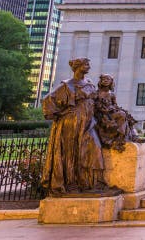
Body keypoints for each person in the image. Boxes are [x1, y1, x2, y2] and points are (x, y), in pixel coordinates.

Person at [41, 58, 106, 195]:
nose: (88, 66)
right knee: (71, 153)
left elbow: (98, 102)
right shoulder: (67, 85)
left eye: (88, 64)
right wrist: (60, 113)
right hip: (71, 122)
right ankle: (72, 184)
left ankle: (89, 182)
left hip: (88, 122)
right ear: (77, 67)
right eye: (85, 64)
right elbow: (48, 100)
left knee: (93, 148)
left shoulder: (89, 84)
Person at [94, 74, 143, 151]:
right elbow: (95, 105)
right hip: (102, 115)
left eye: (108, 79)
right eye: (104, 79)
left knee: (128, 117)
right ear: (100, 81)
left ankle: (134, 136)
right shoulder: (96, 93)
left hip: (111, 113)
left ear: (111, 82)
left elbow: (115, 105)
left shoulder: (111, 94)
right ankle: (120, 138)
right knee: (122, 115)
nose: (105, 80)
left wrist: (115, 109)